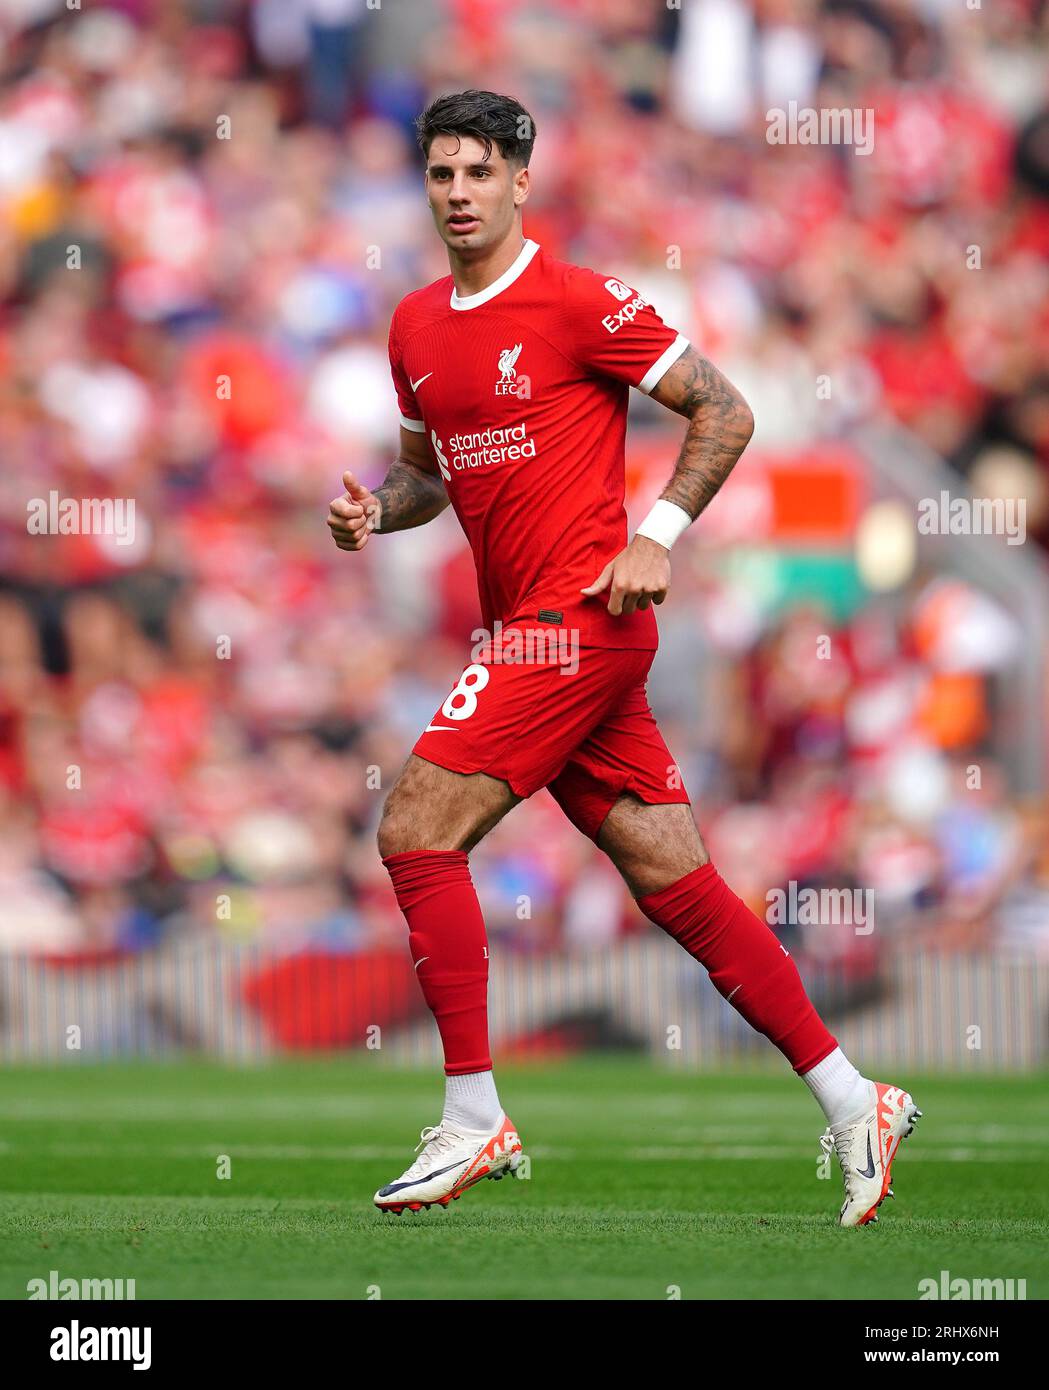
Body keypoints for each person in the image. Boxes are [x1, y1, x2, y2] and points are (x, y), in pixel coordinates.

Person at [327, 89, 920, 1223]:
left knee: (412, 826)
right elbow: (430, 478)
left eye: (477, 173)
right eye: (440, 173)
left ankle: (471, 1117)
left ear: (518, 182)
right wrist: (374, 515)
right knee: (673, 881)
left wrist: (655, 536)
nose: (457, 193)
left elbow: (726, 410)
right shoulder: (411, 325)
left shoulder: (575, 299)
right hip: (529, 632)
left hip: (579, 619)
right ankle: (855, 1098)